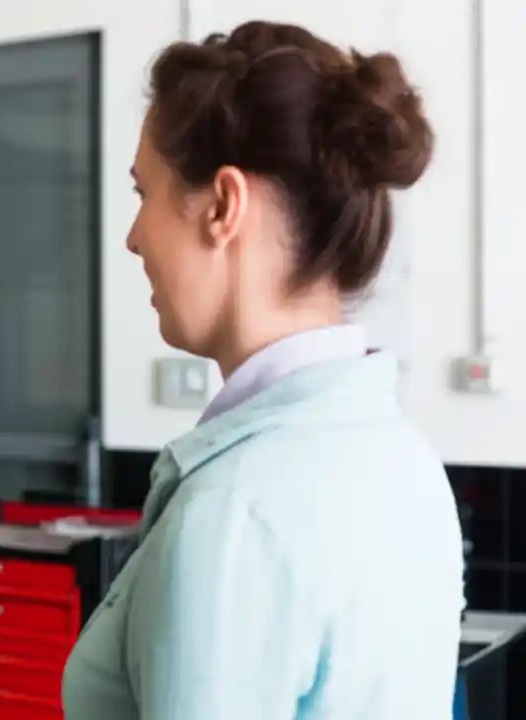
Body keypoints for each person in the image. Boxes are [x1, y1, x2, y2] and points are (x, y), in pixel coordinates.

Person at [62, 20, 465, 720]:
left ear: (222, 206)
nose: (133, 238)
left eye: (143, 193)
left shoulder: (233, 515)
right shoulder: (403, 456)